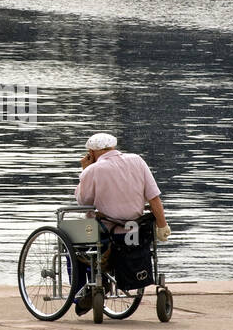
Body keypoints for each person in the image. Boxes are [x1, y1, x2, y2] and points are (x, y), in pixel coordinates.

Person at [72, 133, 170, 313]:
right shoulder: (137, 161)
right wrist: (163, 226)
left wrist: (84, 171)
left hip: (106, 233)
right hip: (136, 231)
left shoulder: (93, 170)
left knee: (70, 240)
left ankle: (80, 292)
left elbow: (83, 202)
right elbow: (154, 198)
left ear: (92, 153)